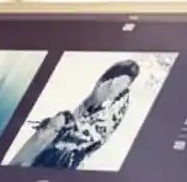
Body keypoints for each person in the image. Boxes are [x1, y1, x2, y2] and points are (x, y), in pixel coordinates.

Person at [10, 60, 140, 169]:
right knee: (57, 124)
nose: (114, 87)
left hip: (73, 152)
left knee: (58, 125)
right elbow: (83, 110)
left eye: (122, 84)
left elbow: (95, 136)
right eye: (114, 82)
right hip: (66, 143)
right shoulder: (101, 91)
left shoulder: (119, 103)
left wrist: (66, 127)